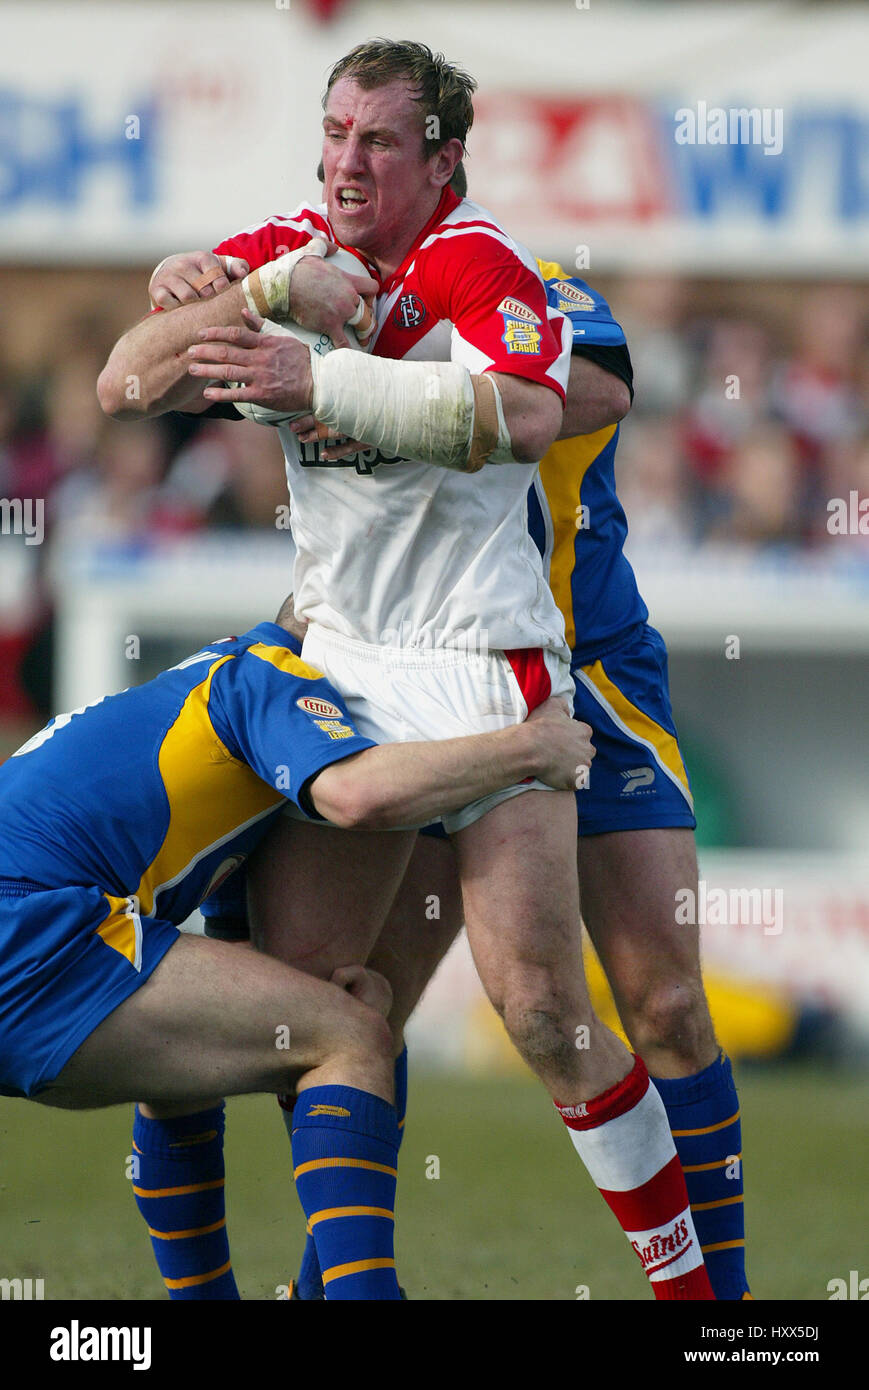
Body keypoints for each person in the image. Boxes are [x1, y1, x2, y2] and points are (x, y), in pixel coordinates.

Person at [99, 39, 716, 1300]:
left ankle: (706, 1305)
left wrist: (326, 377)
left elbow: (541, 413)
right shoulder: (285, 246)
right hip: (341, 666)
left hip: (489, 666)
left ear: (440, 160)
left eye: (377, 142)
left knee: (543, 1009)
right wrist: (226, 300)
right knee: (316, 1012)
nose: (344, 164)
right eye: (333, 134)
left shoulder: (478, 262)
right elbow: (127, 381)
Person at [0, 596, 593, 1300]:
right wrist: (527, 748)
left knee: (178, 1073)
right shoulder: (268, 677)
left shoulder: (205, 687)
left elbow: (233, 948)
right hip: (35, 942)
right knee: (350, 1039)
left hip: (42, 937)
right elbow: (354, 795)